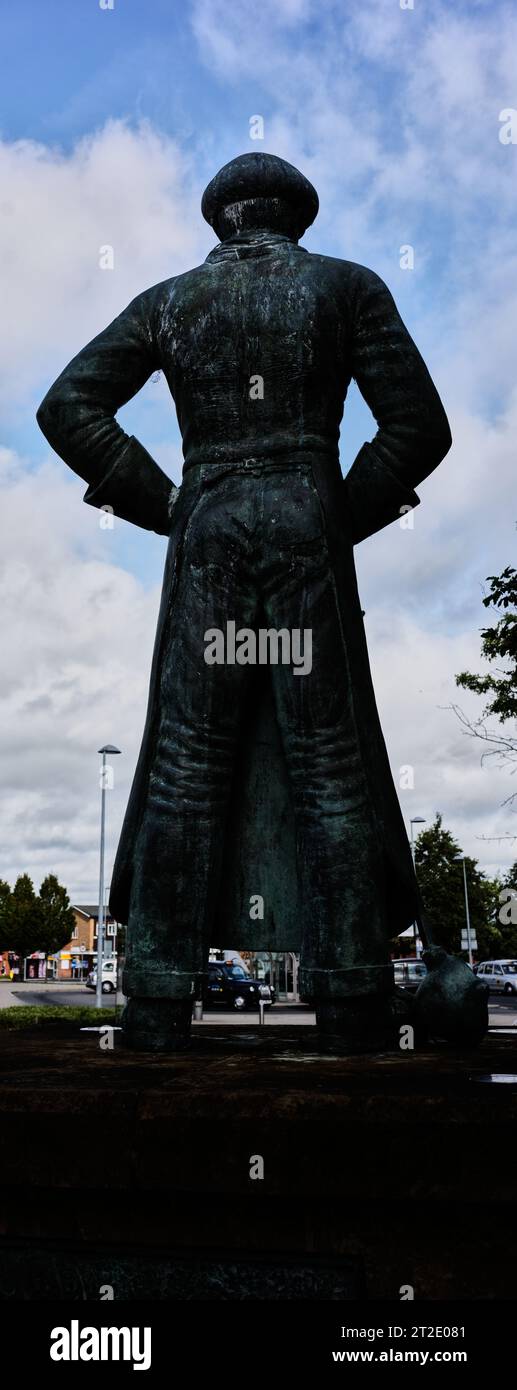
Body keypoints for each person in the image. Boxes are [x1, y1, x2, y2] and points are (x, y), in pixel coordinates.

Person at [37, 153, 451, 1051]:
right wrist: (338, 514)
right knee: (329, 766)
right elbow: (420, 426)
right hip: (305, 520)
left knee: (187, 767)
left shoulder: (171, 301)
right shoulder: (345, 286)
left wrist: (170, 506)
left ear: (219, 216)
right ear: (295, 215)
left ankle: (153, 1003)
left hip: (210, 534)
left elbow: (68, 406)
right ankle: (351, 1004)